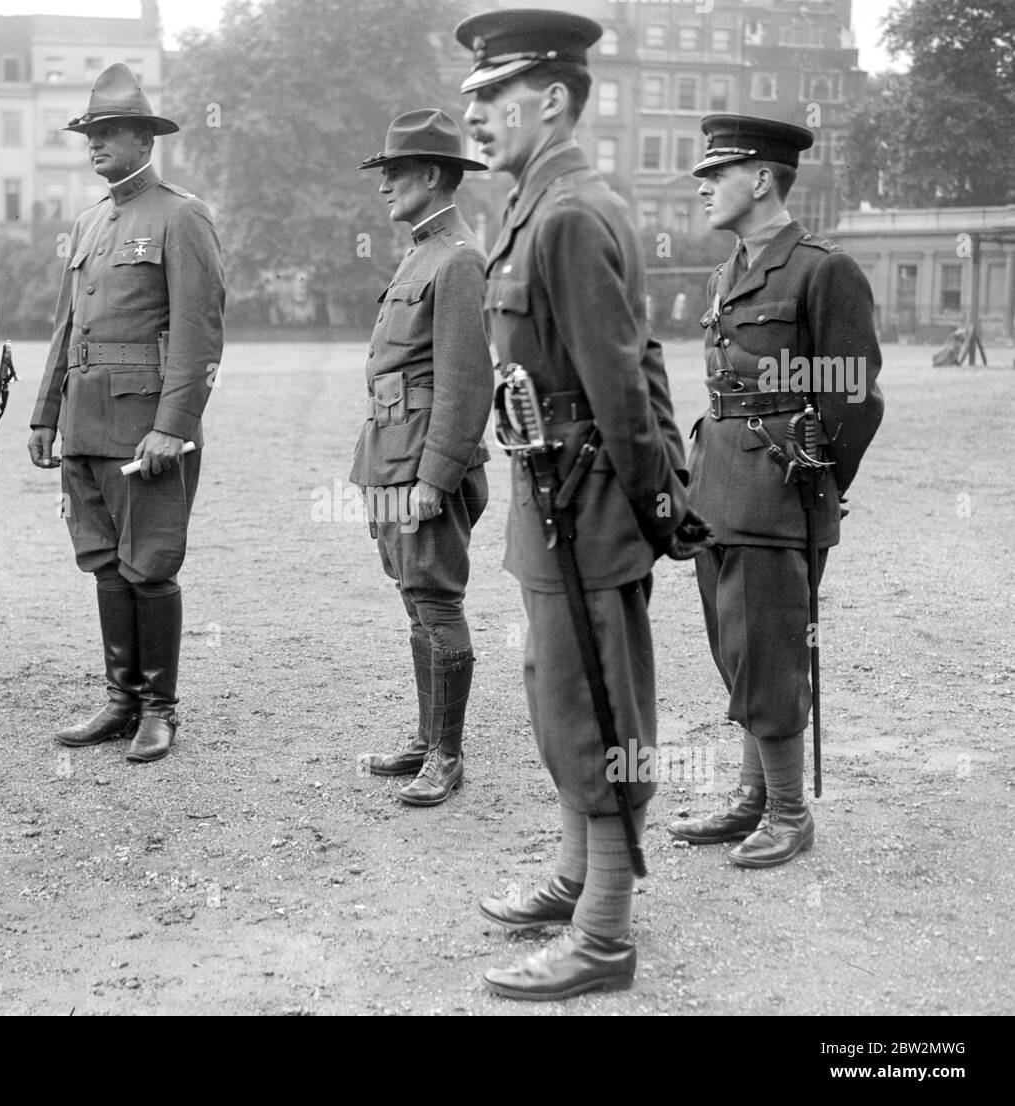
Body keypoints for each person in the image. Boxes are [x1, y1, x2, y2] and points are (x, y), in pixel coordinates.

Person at [457, 9, 709, 999]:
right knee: (555, 692)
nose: (476, 116)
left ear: (551, 99)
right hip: (548, 492)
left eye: (494, 97)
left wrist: (651, 507)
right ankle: (574, 878)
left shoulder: (567, 212)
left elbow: (619, 377)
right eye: (473, 98)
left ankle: (603, 934)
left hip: (586, 502)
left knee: (597, 707)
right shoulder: (536, 206)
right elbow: (631, 354)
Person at [668, 114, 884, 867]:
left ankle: (790, 814)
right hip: (717, 484)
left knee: (770, 650)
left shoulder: (823, 270)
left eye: (714, 174)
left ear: (761, 179)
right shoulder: (729, 270)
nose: (701, 186)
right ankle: (754, 799)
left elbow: (854, 396)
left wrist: (818, 482)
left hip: (777, 489)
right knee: (738, 648)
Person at [28, 63, 224, 764]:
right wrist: (44, 416)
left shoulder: (181, 215)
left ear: (145, 139)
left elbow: (199, 332)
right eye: (90, 131)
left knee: (150, 566)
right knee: (106, 564)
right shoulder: (86, 223)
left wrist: (173, 425)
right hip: (84, 424)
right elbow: (64, 327)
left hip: (145, 428)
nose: (95, 143)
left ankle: (159, 708)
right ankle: (120, 700)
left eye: (110, 131)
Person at [353, 109, 493, 807]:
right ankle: (425, 734)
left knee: (436, 601)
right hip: (391, 455)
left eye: (395, 173)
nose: (384, 186)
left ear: (433, 176)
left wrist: (434, 478)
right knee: (415, 601)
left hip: (423, 467)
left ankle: (447, 753)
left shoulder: (460, 259)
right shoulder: (421, 252)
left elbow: (468, 383)